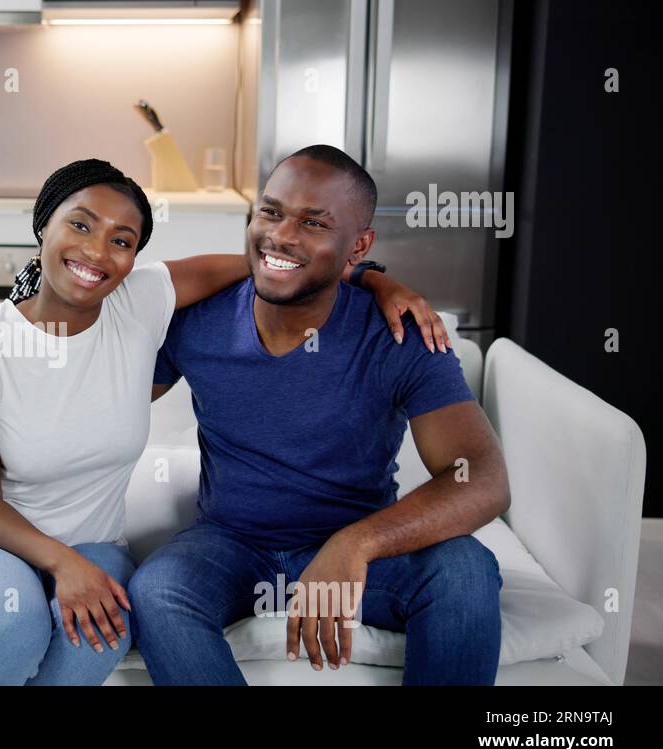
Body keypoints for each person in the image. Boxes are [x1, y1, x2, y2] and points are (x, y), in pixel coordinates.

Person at [0, 158, 447, 684]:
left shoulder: (141, 303)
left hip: (95, 544)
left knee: (98, 636)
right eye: (80, 224)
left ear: (133, 259)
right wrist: (62, 564)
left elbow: (272, 259)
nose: (95, 251)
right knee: (11, 625)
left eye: (121, 241)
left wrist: (377, 280)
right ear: (43, 225)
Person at [127, 145, 511, 685]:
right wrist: (7, 323)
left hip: (357, 543)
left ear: (358, 245)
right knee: (156, 592)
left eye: (313, 222)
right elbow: (97, 388)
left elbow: (484, 479)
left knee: (467, 570)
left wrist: (356, 544)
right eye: (271, 211)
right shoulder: (197, 319)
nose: (282, 234)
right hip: (232, 543)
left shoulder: (400, 335)